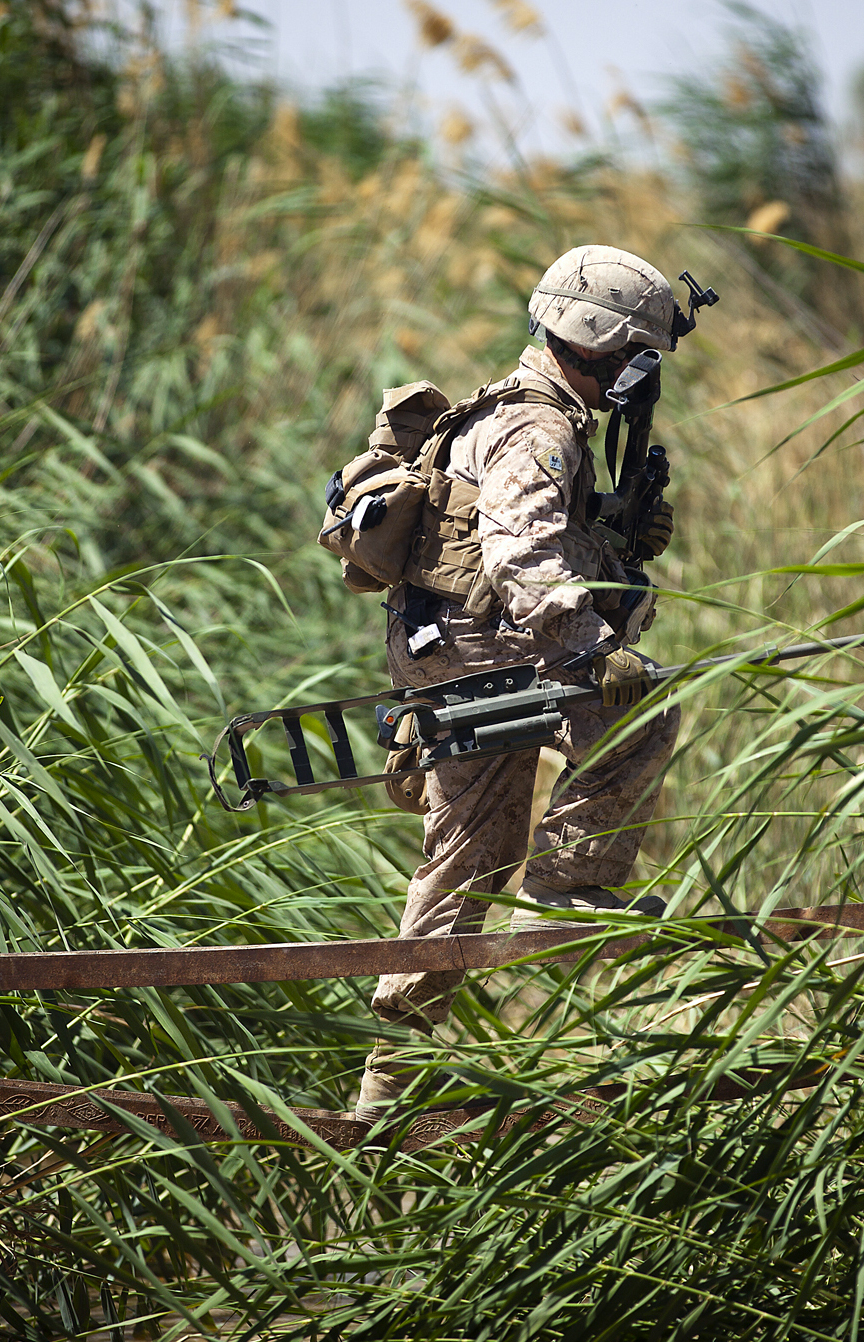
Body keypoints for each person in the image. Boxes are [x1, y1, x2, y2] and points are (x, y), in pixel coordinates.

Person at [355, 245, 688, 1120]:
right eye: (639, 355)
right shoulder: (538, 427)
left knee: (464, 861)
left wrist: (615, 535)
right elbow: (519, 555)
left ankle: (384, 1088)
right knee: (643, 709)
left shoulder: (513, 410)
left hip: (442, 650)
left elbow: (521, 536)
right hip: (492, 650)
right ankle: (568, 892)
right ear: (604, 345)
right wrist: (587, 647)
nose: (641, 375)